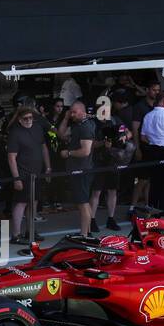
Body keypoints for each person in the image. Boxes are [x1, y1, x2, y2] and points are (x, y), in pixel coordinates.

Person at [6, 105, 51, 245]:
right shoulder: (15, 133)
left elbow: (44, 147)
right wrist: (16, 178)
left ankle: (30, 231)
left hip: (37, 173)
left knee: (34, 202)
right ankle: (16, 234)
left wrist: (48, 166)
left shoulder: (37, 128)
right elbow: (11, 157)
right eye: (25, 119)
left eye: (31, 117)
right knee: (21, 203)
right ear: (19, 120)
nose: (29, 120)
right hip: (23, 173)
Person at [58, 101, 97, 236]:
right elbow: (61, 134)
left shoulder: (85, 127)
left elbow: (85, 151)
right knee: (83, 201)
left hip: (82, 169)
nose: (72, 114)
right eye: (71, 112)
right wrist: (66, 117)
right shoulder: (77, 125)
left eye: (74, 112)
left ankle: (84, 235)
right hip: (79, 169)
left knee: (83, 203)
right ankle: (88, 232)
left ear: (82, 111)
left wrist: (68, 153)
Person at [90, 118, 135, 231]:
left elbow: (129, 132)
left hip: (113, 161)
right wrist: (103, 143)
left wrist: (125, 137)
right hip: (99, 161)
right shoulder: (93, 123)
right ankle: (91, 220)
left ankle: (111, 219)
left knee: (112, 190)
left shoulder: (115, 120)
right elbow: (90, 144)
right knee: (96, 191)